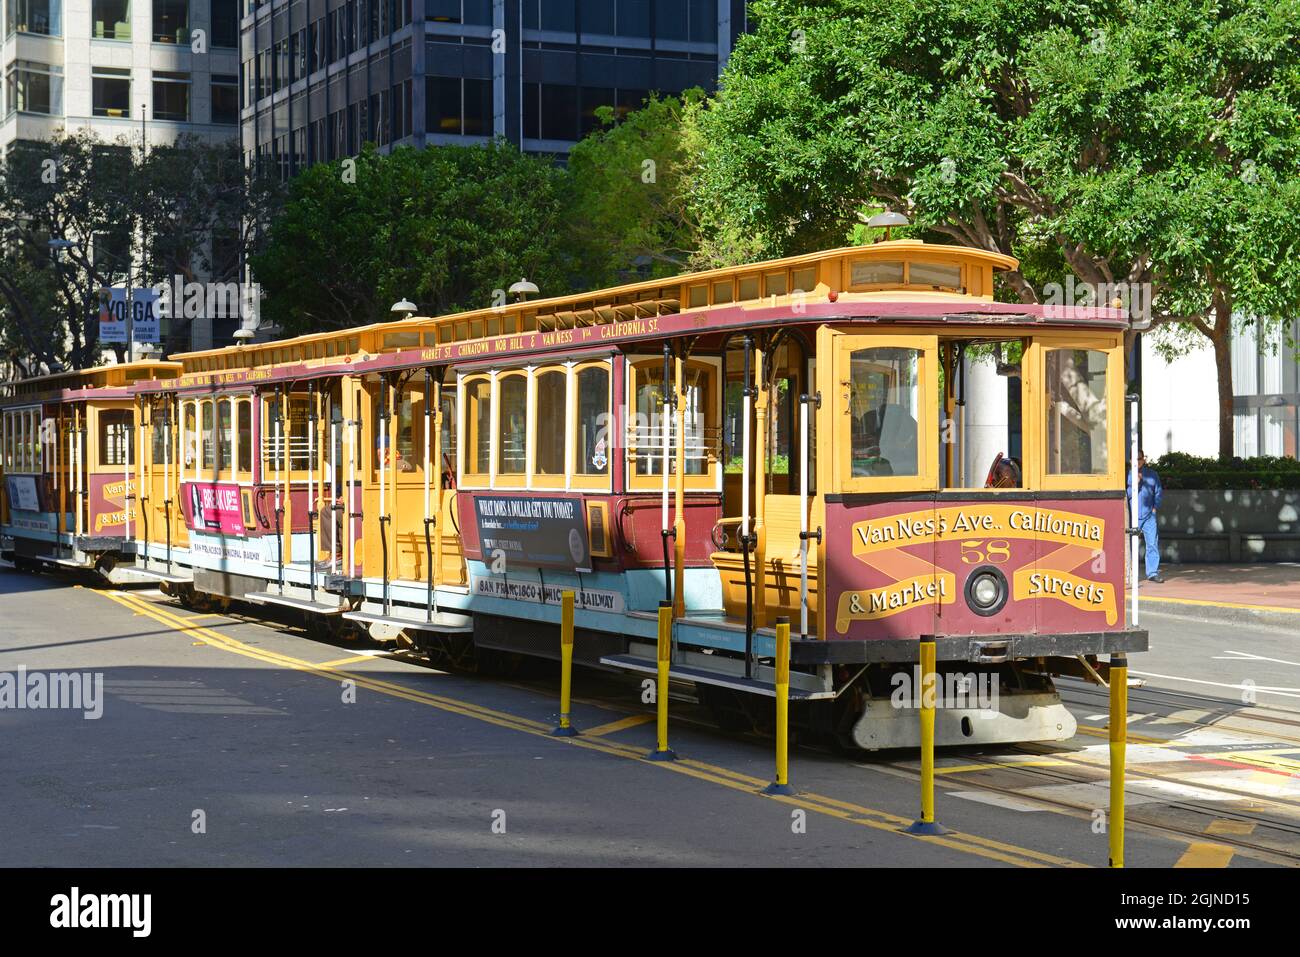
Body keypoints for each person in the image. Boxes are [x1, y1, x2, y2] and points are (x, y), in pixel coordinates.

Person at [1127, 450, 1164, 583]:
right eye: (1134, 459)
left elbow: (1158, 492)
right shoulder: (1127, 475)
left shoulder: (1153, 475)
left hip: (1149, 515)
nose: (1137, 461)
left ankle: (1152, 573)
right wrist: (1134, 485)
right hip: (1133, 515)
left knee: (1152, 543)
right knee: (1130, 544)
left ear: (1143, 460)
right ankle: (1129, 573)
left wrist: (1155, 508)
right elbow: (1126, 495)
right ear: (1130, 461)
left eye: (1139, 459)